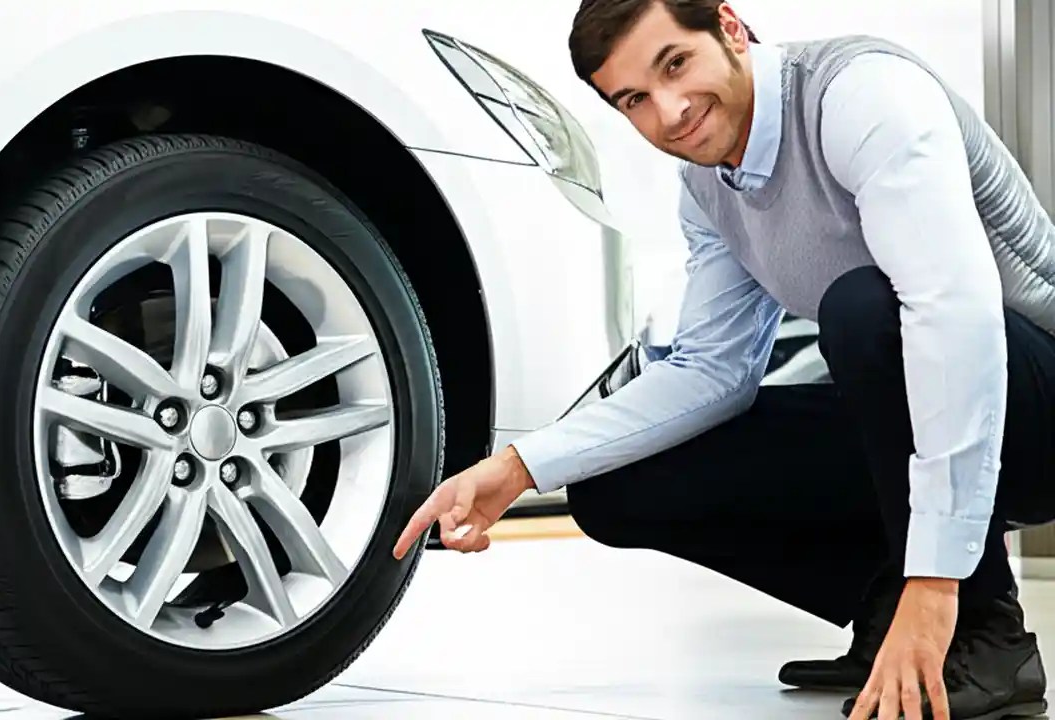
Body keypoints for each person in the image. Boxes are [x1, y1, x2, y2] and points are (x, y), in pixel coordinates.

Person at [391, 1, 1055, 718]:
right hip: (930, 401)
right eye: (634, 100)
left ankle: (986, 632)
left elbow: (952, 319)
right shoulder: (707, 185)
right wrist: (520, 466)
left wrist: (937, 582)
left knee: (865, 308)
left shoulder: (863, 96)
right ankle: (885, 605)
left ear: (730, 28)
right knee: (614, 482)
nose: (670, 111)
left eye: (675, 64)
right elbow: (712, 371)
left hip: (1029, 408)